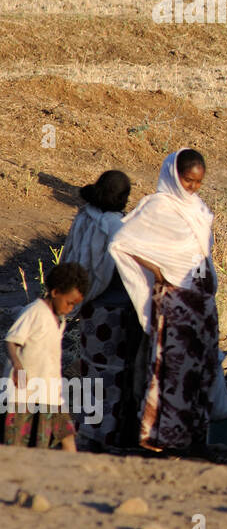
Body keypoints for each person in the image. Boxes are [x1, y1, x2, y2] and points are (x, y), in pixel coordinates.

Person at [109, 149, 227, 453]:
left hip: (201, 305)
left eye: (197, 183)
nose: (192, 188)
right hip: (174, 306)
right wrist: (157, 270)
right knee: (171, 370)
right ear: (173, 174)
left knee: (199, 369)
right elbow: (121, 243)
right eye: (188, 181)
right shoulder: (156, 207)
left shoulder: (198, 209)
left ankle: (193, 437)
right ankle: (163, 436)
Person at [61, 169, 145, 449]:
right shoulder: (115, 227)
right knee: (114, 378)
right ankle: (108, 437)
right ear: (122, 197)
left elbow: (72, 255)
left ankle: (88, 431)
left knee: (91, 372)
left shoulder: (86, 216)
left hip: (90, 310)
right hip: (114, 314)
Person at [3, 263, 88, 451]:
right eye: (69, 303)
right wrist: (17, 365)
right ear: (56, 292)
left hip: (50, 392)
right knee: (18, 442)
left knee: (66, 436)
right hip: (24, 392)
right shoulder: (34, 312)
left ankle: (75, 475)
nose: (70, 308)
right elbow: (11, 340)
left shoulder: (60, 319)